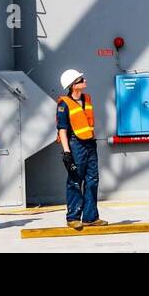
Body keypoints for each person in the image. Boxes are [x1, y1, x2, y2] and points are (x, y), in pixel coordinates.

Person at [57, 69, 107, 230]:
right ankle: (72, 217)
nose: (84, 80)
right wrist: (66, 152)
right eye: (81, 79)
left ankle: (91, 217)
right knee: (75, 181)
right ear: (73, 85)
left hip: (90, 144)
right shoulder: (64, 104)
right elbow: (62, 129)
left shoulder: (87, 99)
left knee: (92, 181)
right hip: (75, 144)